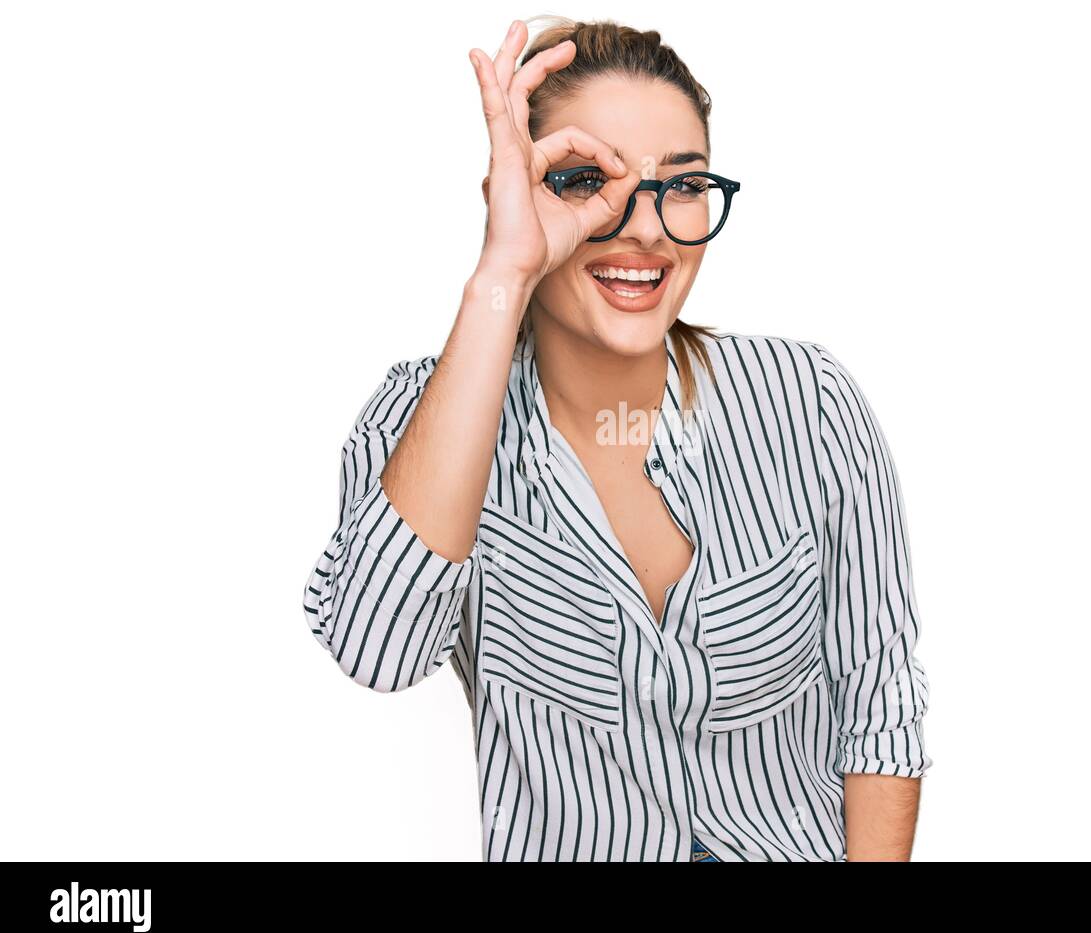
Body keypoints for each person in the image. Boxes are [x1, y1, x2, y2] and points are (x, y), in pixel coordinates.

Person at [302, 15, 933, 862]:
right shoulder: (423, 416)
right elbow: (375, 647)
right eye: (581, 180)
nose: (647, 230)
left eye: (681, 185)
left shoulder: (807, 403)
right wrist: (504, 271)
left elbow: (879, 695)